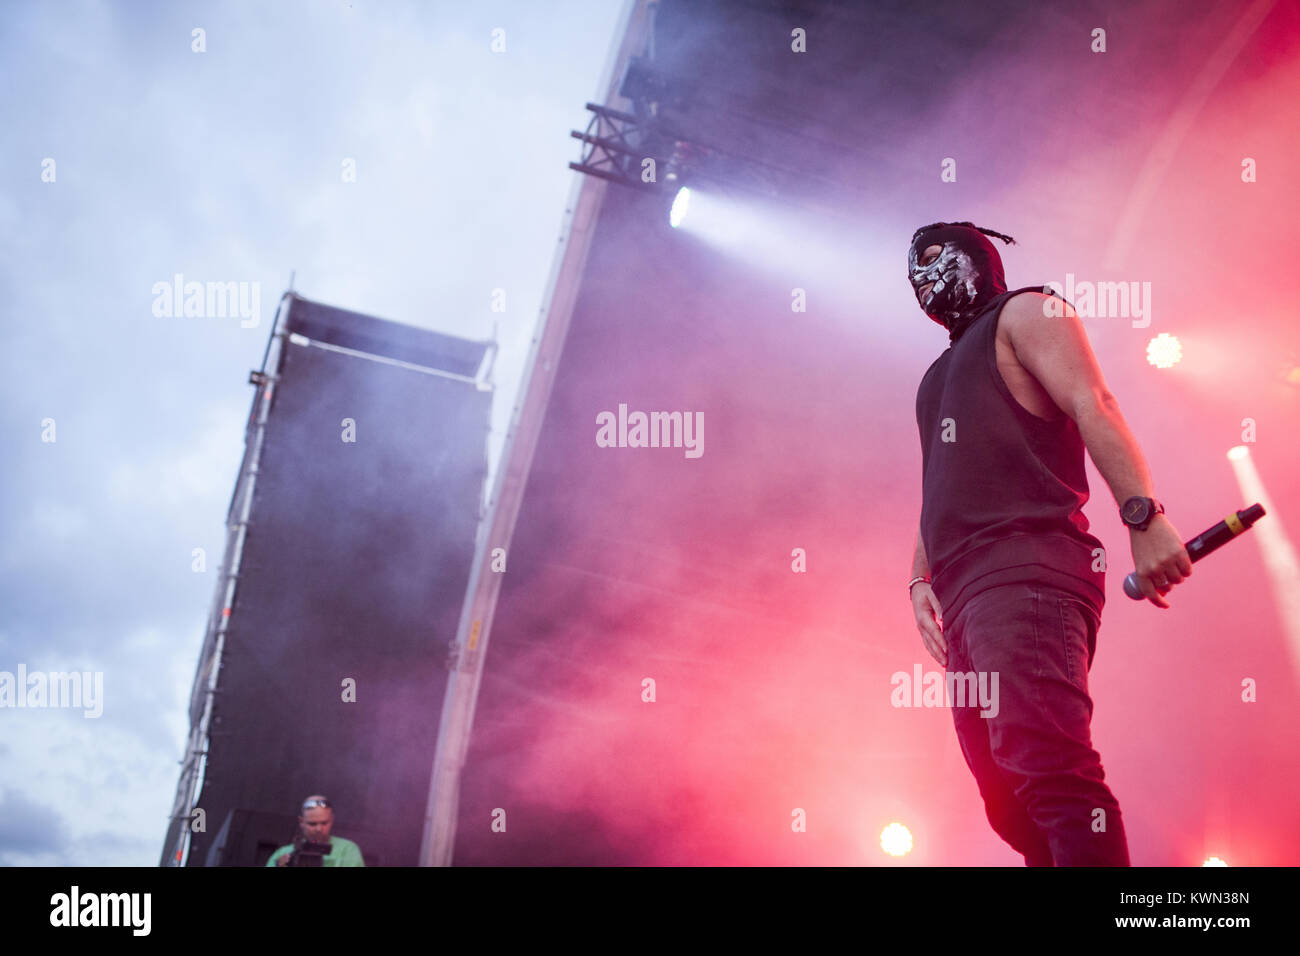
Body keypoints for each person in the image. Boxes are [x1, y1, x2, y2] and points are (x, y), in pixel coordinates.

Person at [906, 221, 1192, 866]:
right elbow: (939, 487)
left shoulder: (1030, 311)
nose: (920, 277)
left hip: (1025, 567)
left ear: (977, 257)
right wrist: (920, 578)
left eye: (931, 257)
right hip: (963, 591)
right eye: (910, 270)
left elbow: (1094, 403)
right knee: (1006, 798)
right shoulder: (934, 378)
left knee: (1050, 769)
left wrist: (1142, 518)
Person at [266, 795, 366, 867]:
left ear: (331, 820)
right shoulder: (283, 854)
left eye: (324, 823)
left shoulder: (347, 850)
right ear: (301, 822)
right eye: (312, 824)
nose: (319, 829)